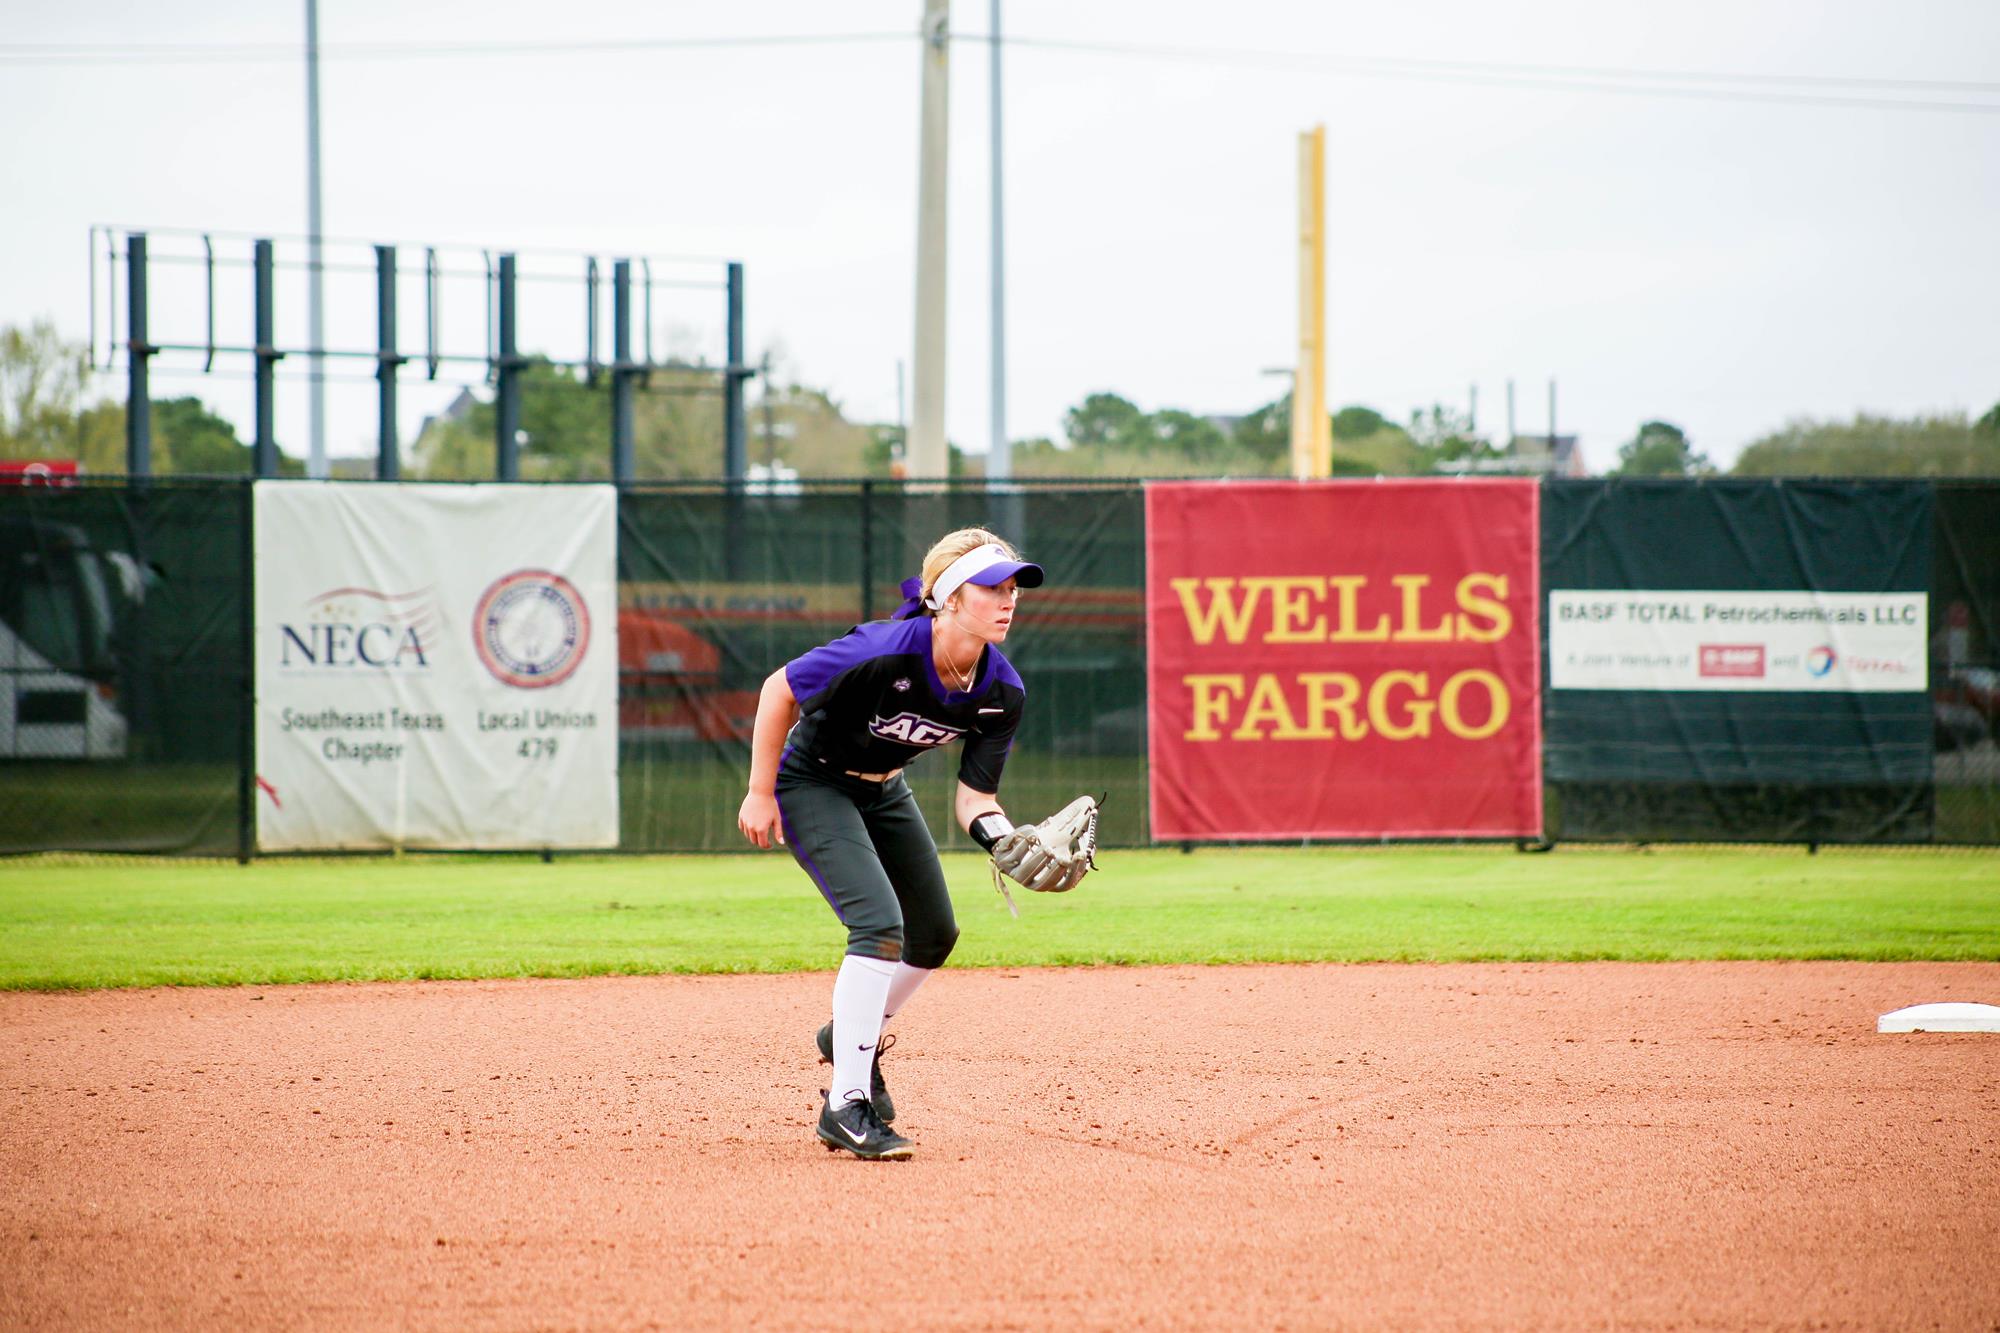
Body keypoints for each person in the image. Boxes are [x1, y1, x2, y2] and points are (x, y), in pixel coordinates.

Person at [736, 527, 1043, 1161]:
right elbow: (779, 689)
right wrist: (759, 791)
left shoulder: (1000, 690)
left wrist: (1005, 843)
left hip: (884, 791)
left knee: (933, 933)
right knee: (878, 926)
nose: (1007, 600)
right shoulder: (882, 649)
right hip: (811, 781)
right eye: (992, 588)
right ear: (950, 599)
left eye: (1012, 589)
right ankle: (846, 1106)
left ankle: (847, 1036)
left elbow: (976, 800)